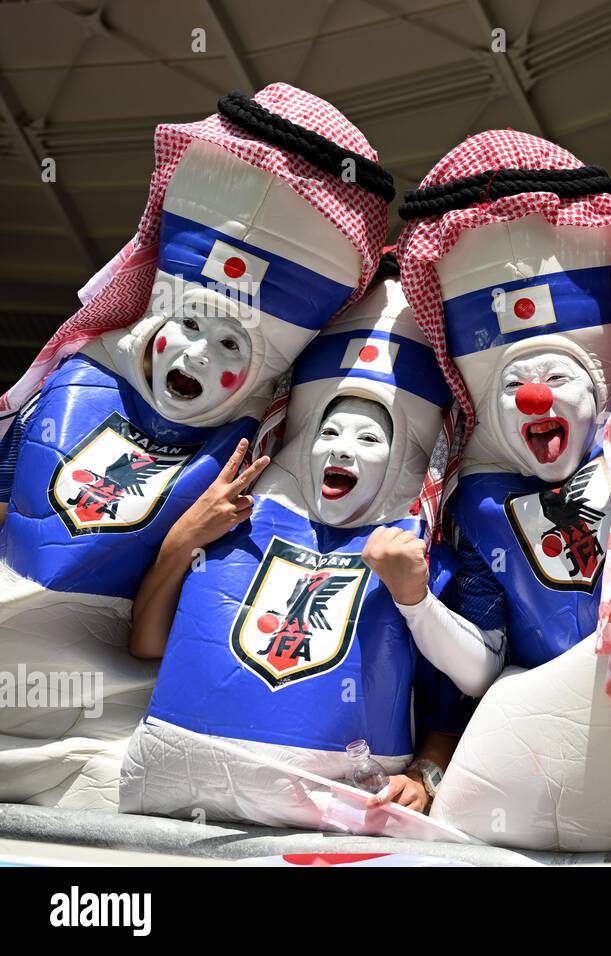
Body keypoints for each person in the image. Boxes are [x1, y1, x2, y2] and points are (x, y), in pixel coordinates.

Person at [0, 84, 391, 810]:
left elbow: (161, 641)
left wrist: (185, 538)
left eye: (230, 342)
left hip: (105, 739)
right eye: (190, 325)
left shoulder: (259, 463)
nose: (198, 359)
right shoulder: (62, 388)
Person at [119, 268, 489, 835]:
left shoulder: (424, 560)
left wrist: (426, 773)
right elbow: (147, 644)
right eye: (330, 430)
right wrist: (183, 538)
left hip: (333, 831)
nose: (342, 449)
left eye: (370, 438)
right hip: (177, 815)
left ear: (400, 460)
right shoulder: (236, 524)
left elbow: (454, 706)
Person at [395, 130, 611, 850]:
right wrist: (416, 601)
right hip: (536, 739)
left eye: (560, 379)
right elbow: (482, 664)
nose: (535, 396)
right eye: (510, 383)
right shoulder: (479, 511)